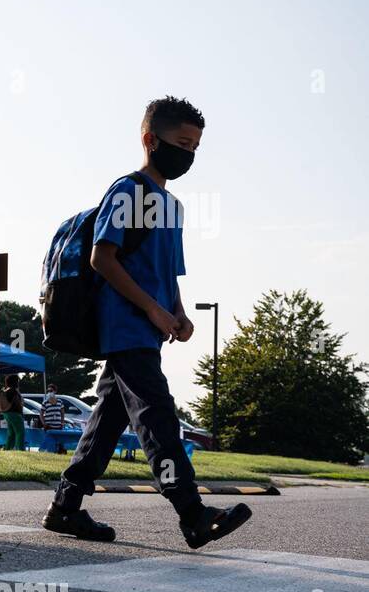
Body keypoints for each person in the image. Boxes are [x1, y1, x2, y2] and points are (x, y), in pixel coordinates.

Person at [42, 96, 251, 549]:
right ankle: (193, 514)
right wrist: (151, 310)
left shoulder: (173, 207)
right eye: (181, 143)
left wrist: (177, 312)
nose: (188, 154)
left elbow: (167, 274)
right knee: (158, 417)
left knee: (105, 424)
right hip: (124, 326)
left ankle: (65, 506)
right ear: (150, 140)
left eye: (195, 146)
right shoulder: (128, 191)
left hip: (149, 331)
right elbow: (102, 258)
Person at [0, 373, 26, 450]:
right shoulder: (13, 391)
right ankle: (20, 450)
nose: (18, 382)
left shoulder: (7, 390)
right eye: (17, 381)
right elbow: (18, 403)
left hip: (7, 414)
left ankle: (8, 449)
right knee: (20, 432)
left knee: (11, 433)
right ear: (14, 382)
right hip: (15, 414)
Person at [39, 382, 68, 453]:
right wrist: (44, 424)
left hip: (58, 426)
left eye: (51, 391)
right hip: (49, 426)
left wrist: (62, 422)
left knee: (59, 442)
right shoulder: (45, 402)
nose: (49, 392)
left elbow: (62, 413)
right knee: (50, 441)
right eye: (48, 391)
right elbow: (41, 414)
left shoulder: (60, 402)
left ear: (55, 391)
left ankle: (60, 451)